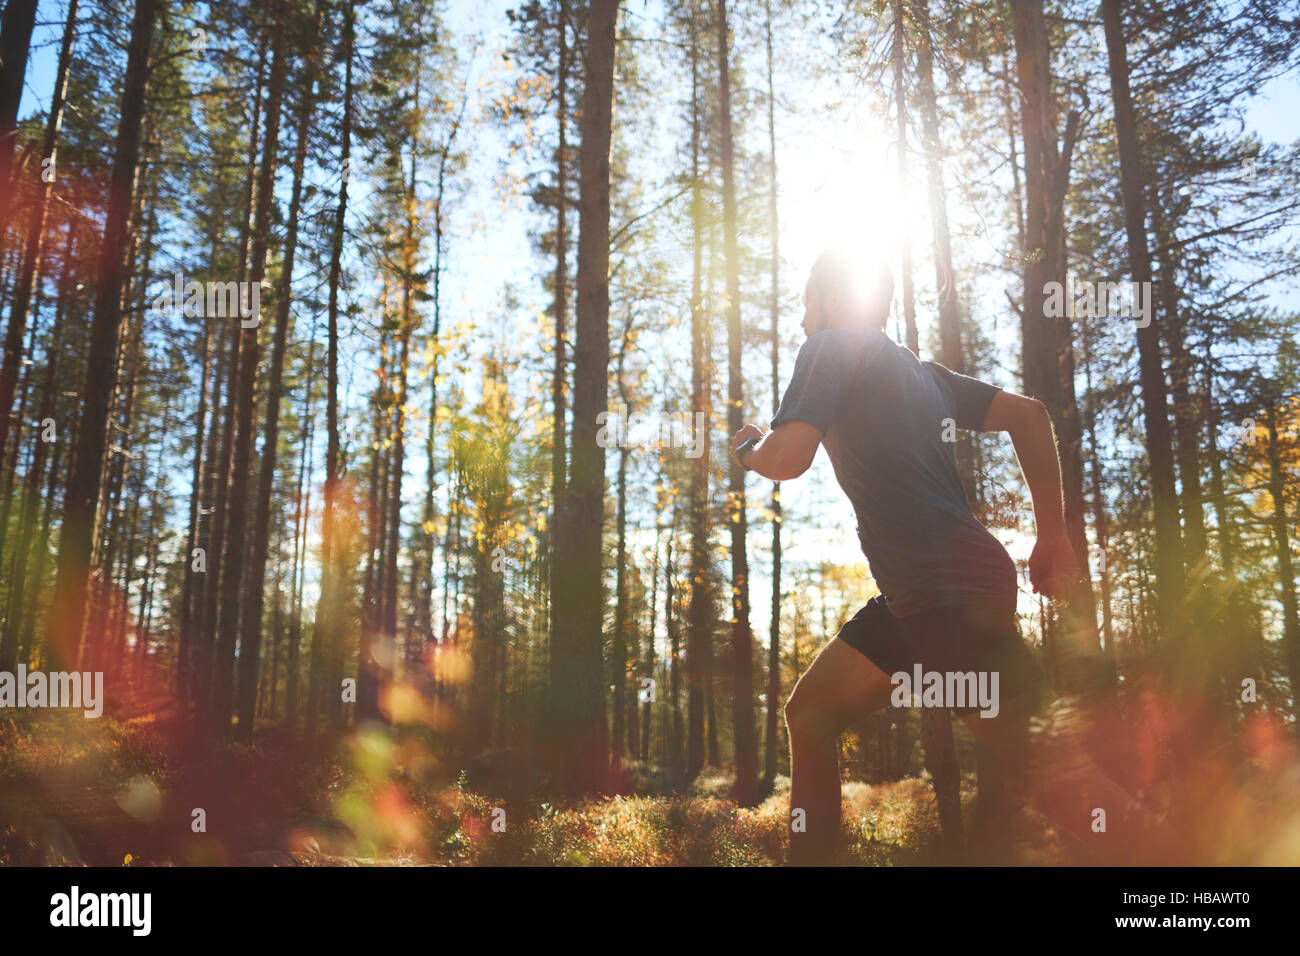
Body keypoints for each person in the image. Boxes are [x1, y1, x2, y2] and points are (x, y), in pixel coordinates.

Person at [730, 248, 1124, 865]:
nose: (801, 322)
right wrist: (1054, 535)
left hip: (945, 595)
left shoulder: (829, 347)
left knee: (1058, 781)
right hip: (922, 596)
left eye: (806, 306)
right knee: (808, 711)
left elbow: (789, 458)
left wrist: (749, 451)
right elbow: (1030, 415)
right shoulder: (929, 378)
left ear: (834, 302)